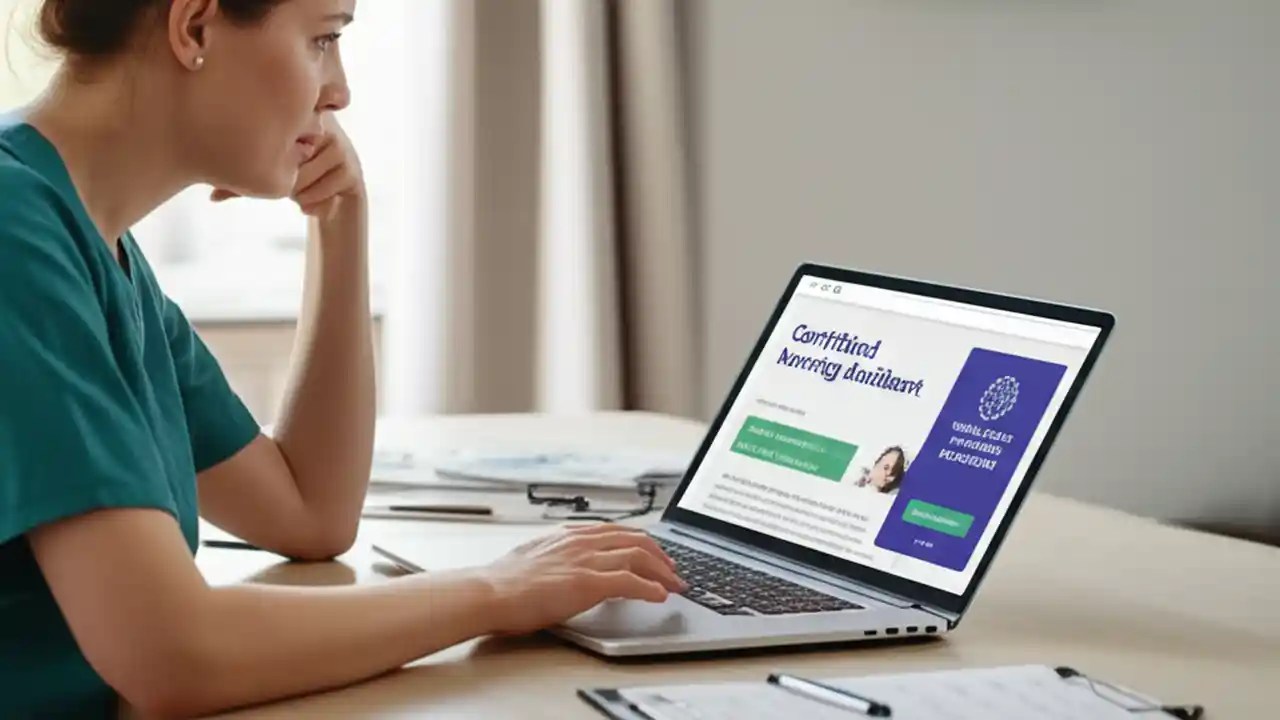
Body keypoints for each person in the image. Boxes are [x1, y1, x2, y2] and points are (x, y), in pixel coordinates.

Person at [0, 1, 684, 716]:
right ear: (194, 28)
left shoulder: (89, 242)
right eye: (322, 39)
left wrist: (341, 216)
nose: (340, 89)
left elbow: (309, 512)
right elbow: (171, 652)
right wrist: (499, 591)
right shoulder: (16, 234)